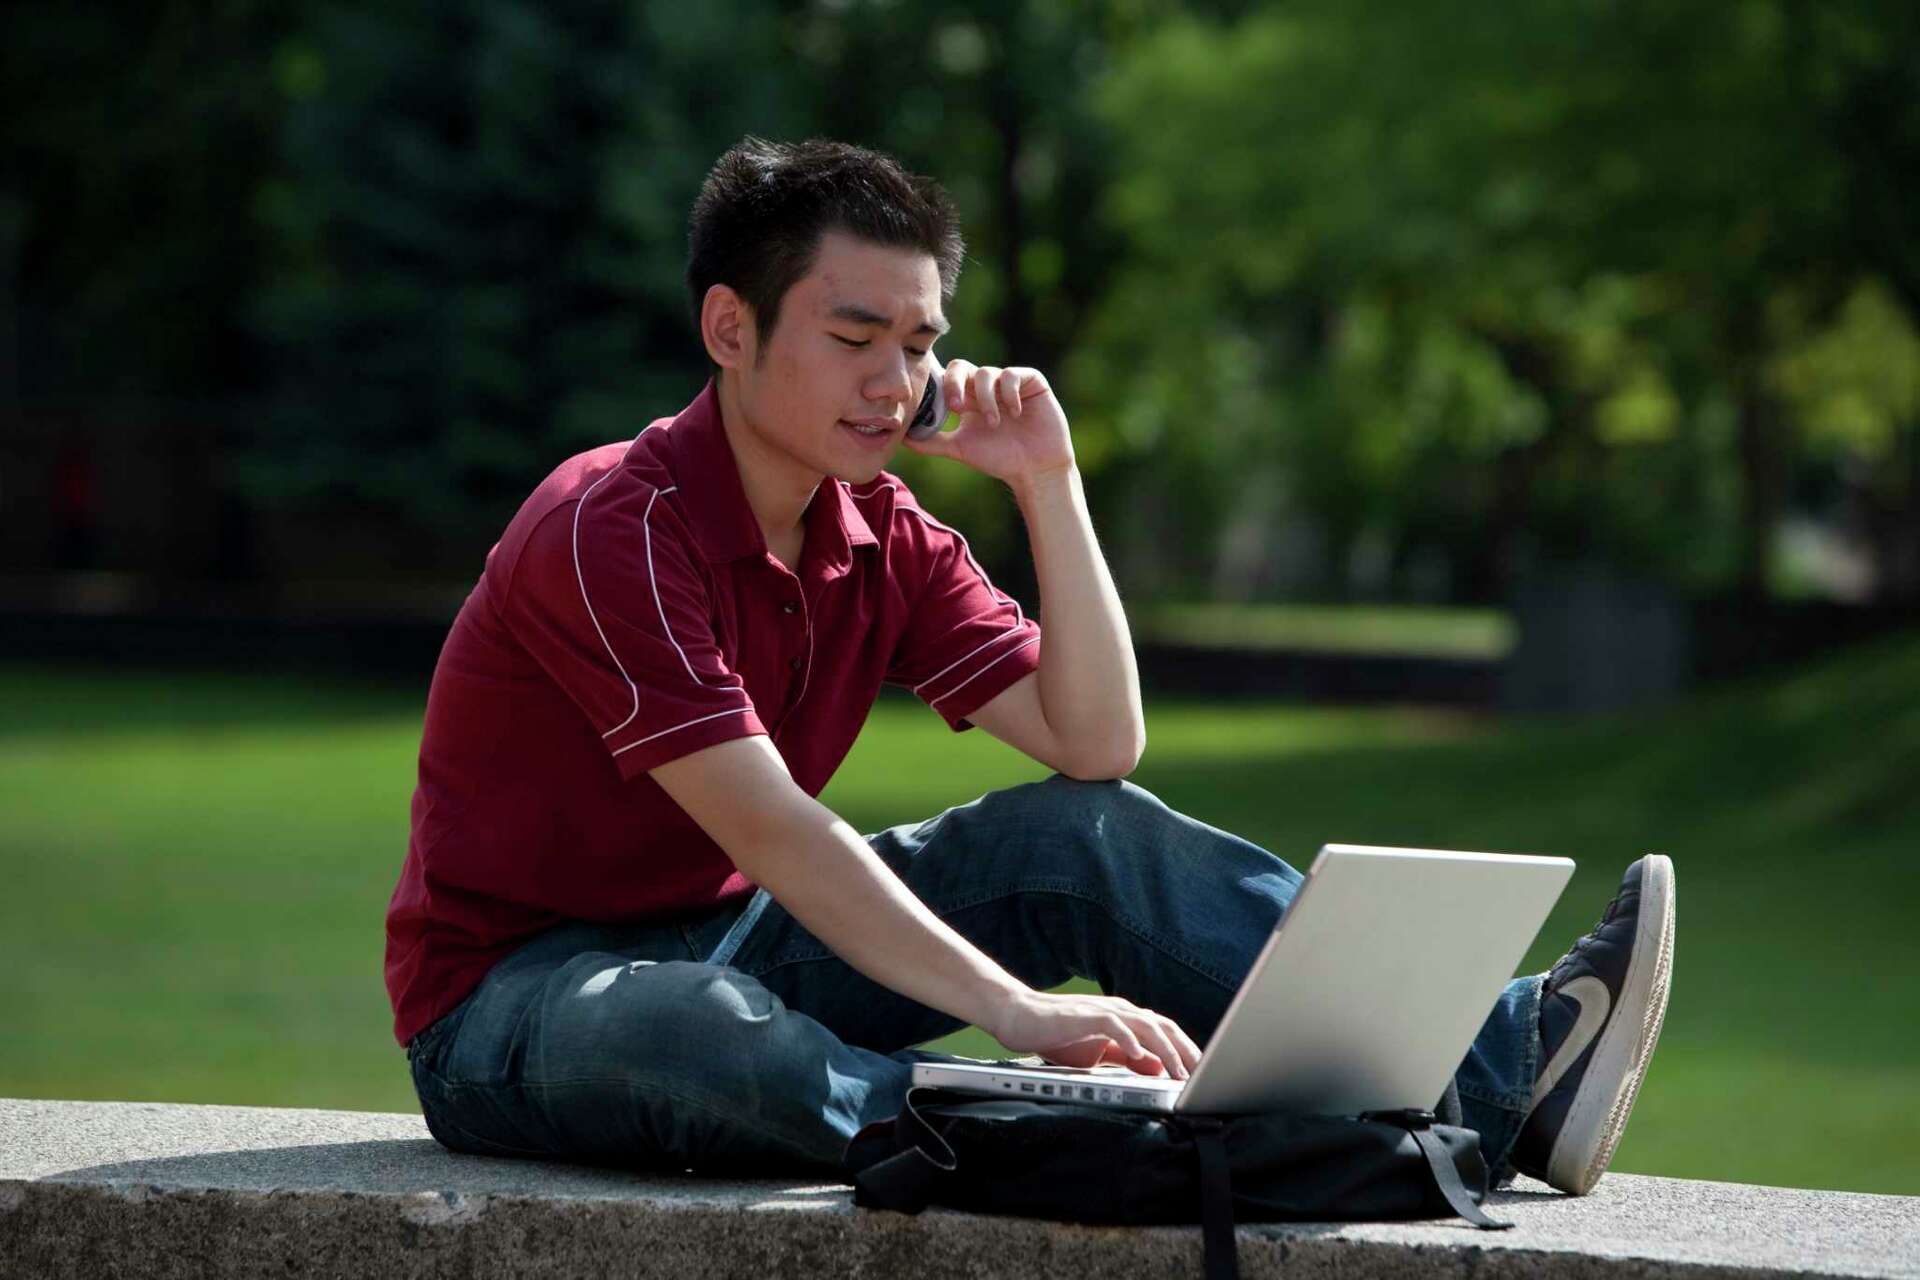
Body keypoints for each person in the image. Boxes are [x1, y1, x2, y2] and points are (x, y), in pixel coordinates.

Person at [385, 136, 1675, 1197]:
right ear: (731, 327)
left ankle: (1506, 1071)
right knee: (685, 1033)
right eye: (855, 336)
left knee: (1078, 836)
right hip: (519, 1003)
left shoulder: (879, 530)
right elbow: (774, 828)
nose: (896, 383)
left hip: (739, 940)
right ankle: (1072, 1130)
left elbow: (1096, 745)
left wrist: (1050, 484)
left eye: (919, 342)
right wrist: (1018, 1012)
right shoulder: (612, 525)